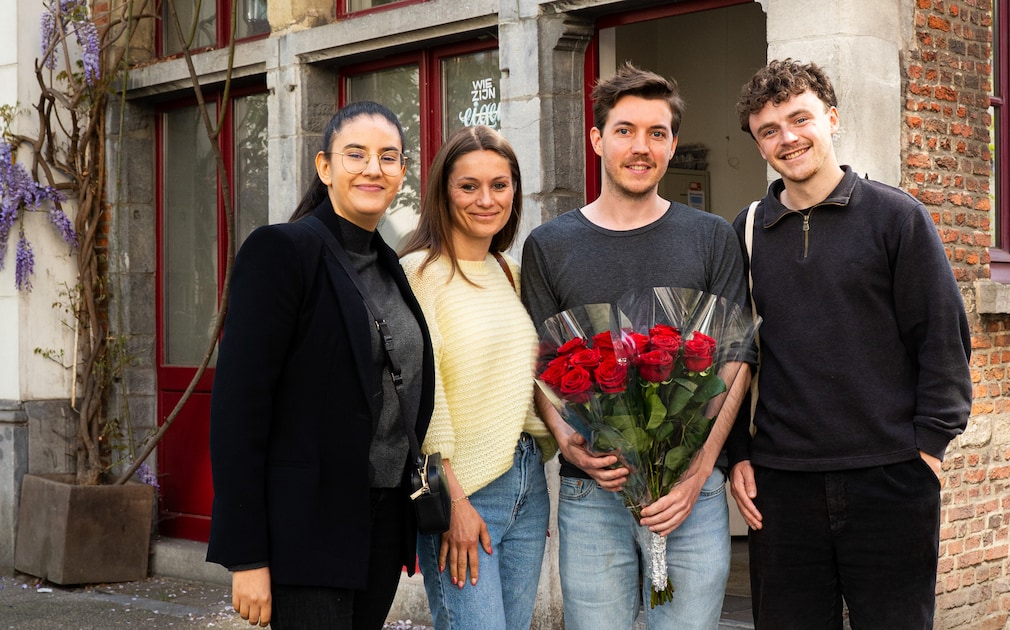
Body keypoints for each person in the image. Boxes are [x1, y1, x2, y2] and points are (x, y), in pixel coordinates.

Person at [726, 59, 972, 629]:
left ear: (830, 118)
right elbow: (733, 357)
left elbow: (943, 340)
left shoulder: (897, 218)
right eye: (769, 130)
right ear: (760, 144)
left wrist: (927, 452)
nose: (787, 138)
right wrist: (739, 451)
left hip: (889, 478)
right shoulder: (745, 231)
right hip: (781, 485)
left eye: (799, 119)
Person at [521, 63, 750, 630]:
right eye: (625, 130)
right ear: (598, 140)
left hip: (689, 498)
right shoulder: (549, 245)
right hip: (593, 491)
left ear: (672, 145)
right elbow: (539, 365)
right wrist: (569, 444)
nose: (640, 146)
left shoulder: (712, 236)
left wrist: (698, 473)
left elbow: (737, 360)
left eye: (657, 133)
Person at [207, 100, 435, 630]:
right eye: (355, 154)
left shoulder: (387, 264)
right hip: (304, 528)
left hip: (378, 521)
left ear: (402, 172)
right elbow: (239, 410)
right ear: (325, 167)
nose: (373, 168)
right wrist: (247, 557)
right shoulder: (281, 251)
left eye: (388, 157)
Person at [397, 125, 554, 630]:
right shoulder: (419, 273)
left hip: (527, 482)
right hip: (463, 489)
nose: (486, 199)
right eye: (469, 186)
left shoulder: (509, 270)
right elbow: (425, 393)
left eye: (500, 185)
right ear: (444, 191)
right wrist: (455, 502)